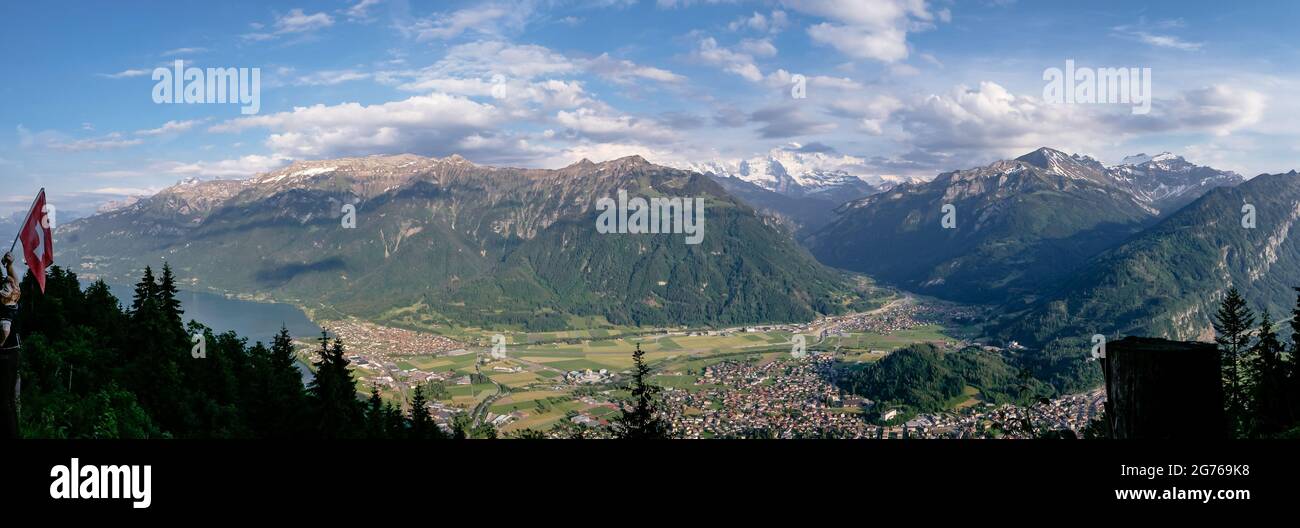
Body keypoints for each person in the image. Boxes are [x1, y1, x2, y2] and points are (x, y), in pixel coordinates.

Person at [0, 252, 19, 439]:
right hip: (13, 353)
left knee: (3, 401)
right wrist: (9, 265)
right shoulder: (13, 298)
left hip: (4, 355)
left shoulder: (5, 306)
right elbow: (15, 282)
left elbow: (4, 331)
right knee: (9, 400)